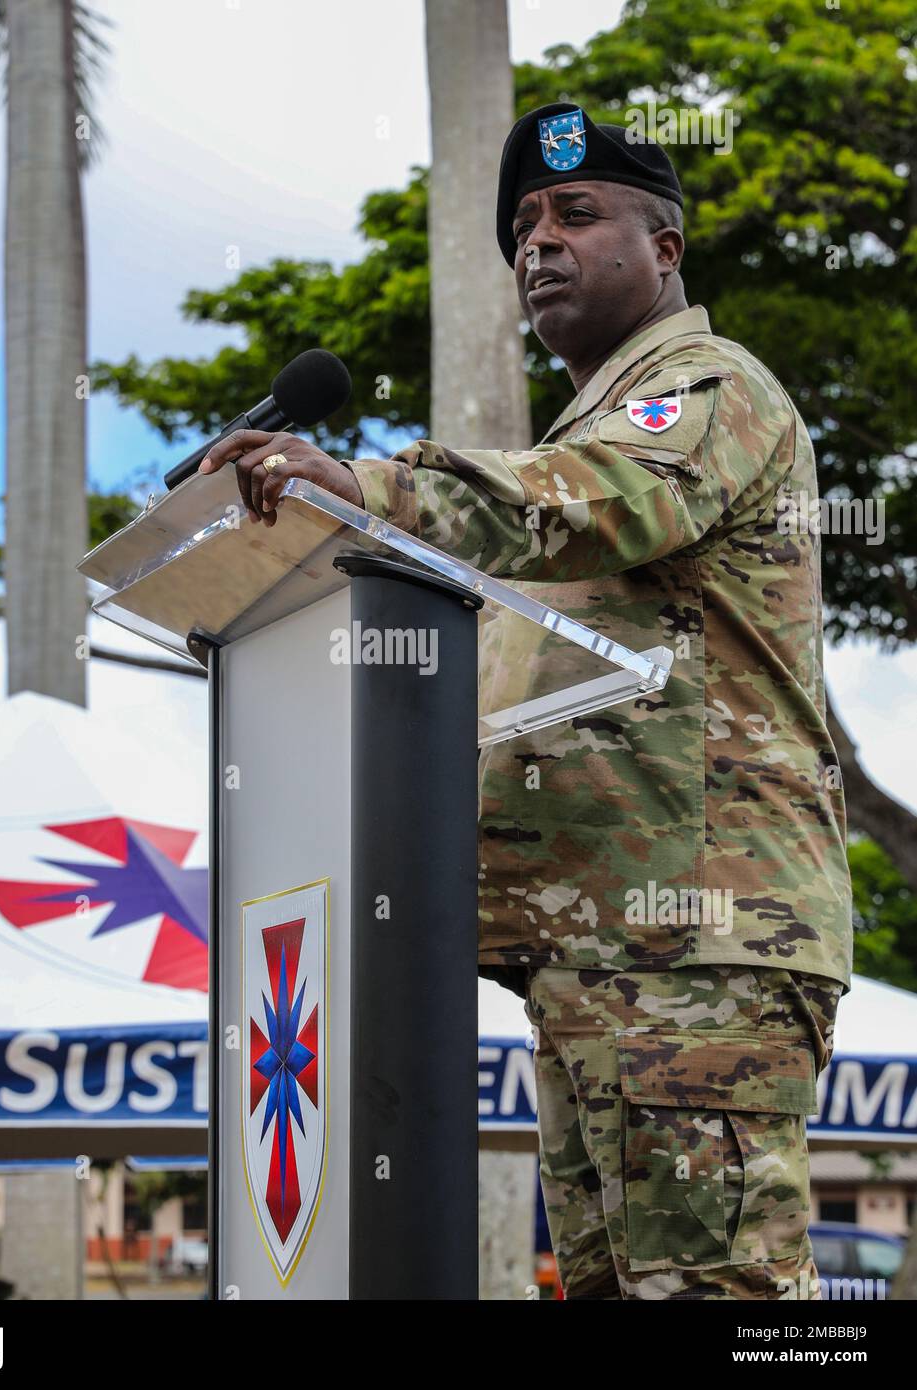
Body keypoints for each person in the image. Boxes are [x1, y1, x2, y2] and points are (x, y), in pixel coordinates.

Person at [198, 101, 851, 1300]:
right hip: (597, 951)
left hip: (697, 941)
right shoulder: (587, 431)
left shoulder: (702, 389)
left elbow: (590, 500)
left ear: (667, 247)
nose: (538, 243)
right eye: (523, 226)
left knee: (717, 1298)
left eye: (576, 213)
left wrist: (367, 485)